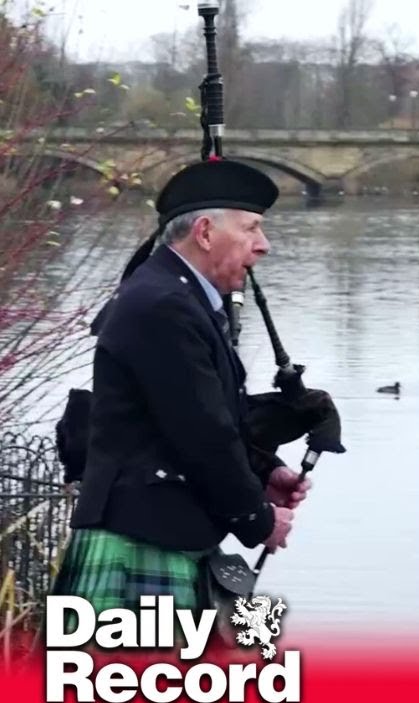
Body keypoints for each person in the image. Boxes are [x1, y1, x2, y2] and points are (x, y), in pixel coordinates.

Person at [52, 159, 309, 618]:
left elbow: (198, 414)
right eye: (251, 229)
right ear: (206, 233)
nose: (263, 246)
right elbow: (203, 433)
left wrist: (264, 472)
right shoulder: (163, 305)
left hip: (160, 529)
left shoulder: (178, 296)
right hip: (140, 537)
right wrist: (258, 519)